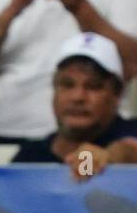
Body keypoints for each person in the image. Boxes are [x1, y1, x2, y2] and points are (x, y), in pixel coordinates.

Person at [0, 0, 137, 144]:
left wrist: (80, 6)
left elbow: (131, 67)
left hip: (93, 140)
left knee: (89, 169)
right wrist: (13, 8)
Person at [12, 33, 137, 179]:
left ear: (116, 94)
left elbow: (129, 150)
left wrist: (108, 157)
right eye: (67, 85)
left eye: (93, 86)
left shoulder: (132, 130)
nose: (78, 97)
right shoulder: (30, 157)